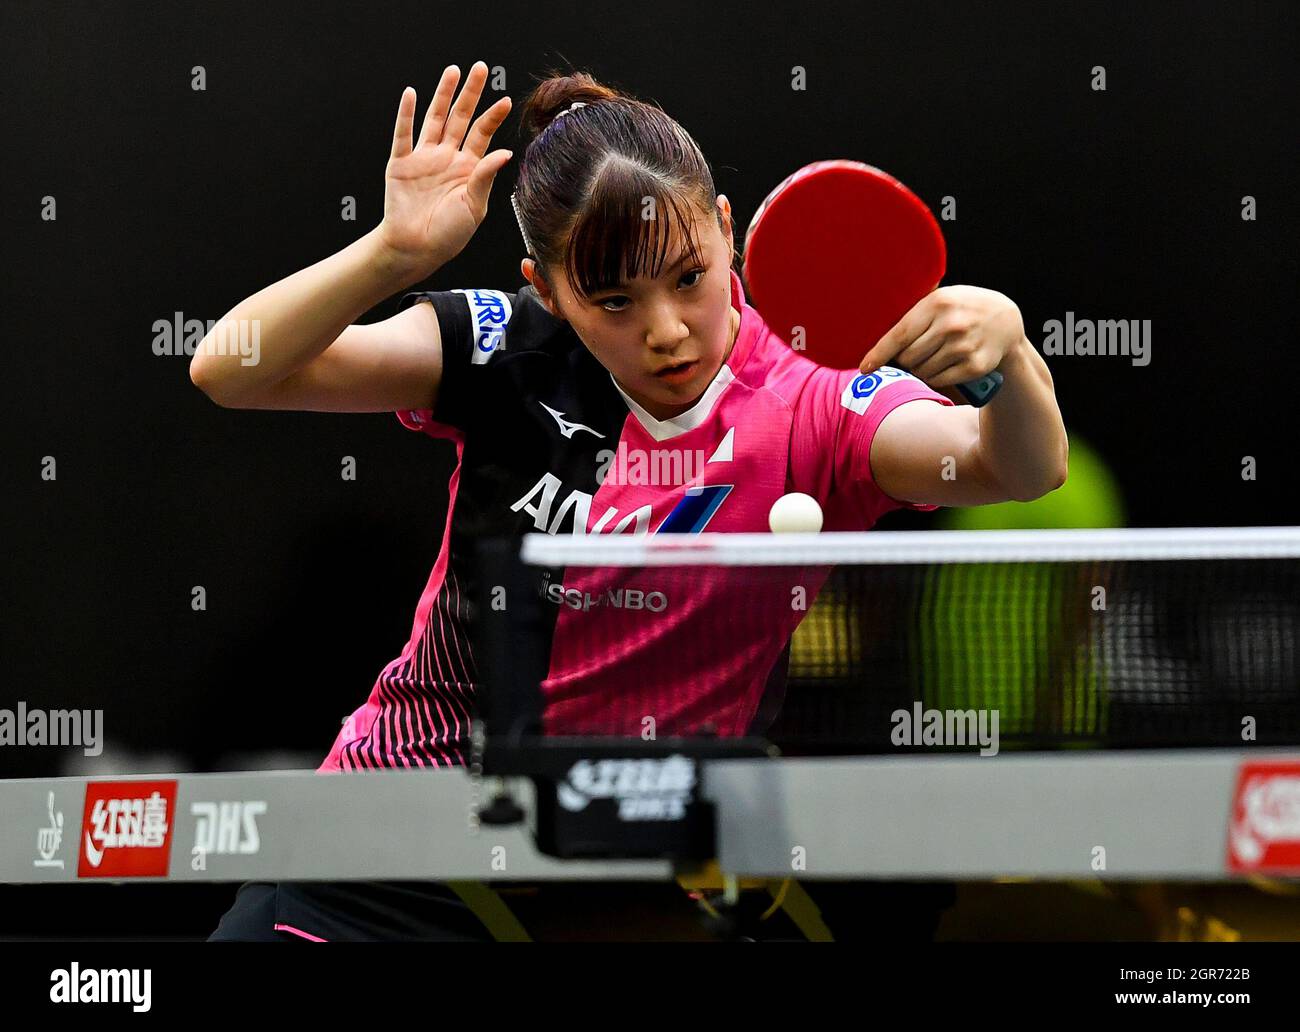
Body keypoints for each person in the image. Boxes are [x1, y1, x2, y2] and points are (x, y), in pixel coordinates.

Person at [194, 61, 1068, 940]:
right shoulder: (504, 353)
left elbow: (1016, 469)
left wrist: (1012, 362)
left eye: (688, 277)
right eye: (614, 299)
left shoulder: (811, 403)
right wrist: (394, 253)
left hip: (640, 870)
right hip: (404, 829)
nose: (665, 329)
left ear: (727, 232)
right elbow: (229, 369)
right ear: (549, 290)